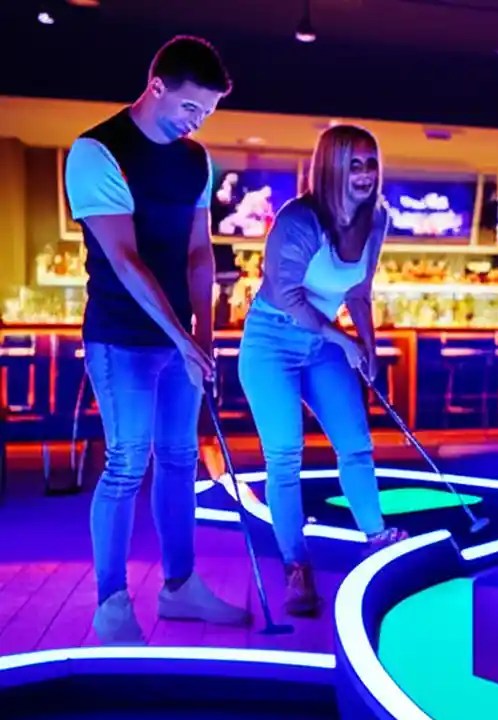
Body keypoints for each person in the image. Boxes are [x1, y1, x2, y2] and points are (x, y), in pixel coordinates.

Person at [64, 35, 250, 645]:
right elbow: (125, 259)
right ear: (157, 86)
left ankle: (180, 588)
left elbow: (200, 254)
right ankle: (111, 604)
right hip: (122, 337)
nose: (196, 124)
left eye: (208, 114)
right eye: (190, 109)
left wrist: (204, 336)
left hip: (177, 343)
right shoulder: (97, 152)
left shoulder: (196, 161)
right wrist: (181, 336)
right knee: (126, 463)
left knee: (178, 460)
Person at [238, 124, 407, 617]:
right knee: (285, 455)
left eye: (371, 163)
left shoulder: (377, 219)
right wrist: (343, 340)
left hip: (323, 342)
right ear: (330, 166)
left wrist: (369, 348)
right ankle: (297, 566)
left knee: (356, 443)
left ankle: (376, 535)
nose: (364, 173)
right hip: (271, 341)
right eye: (353, 163)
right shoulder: (298, 219)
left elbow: (358, 291)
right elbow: (288, 296)